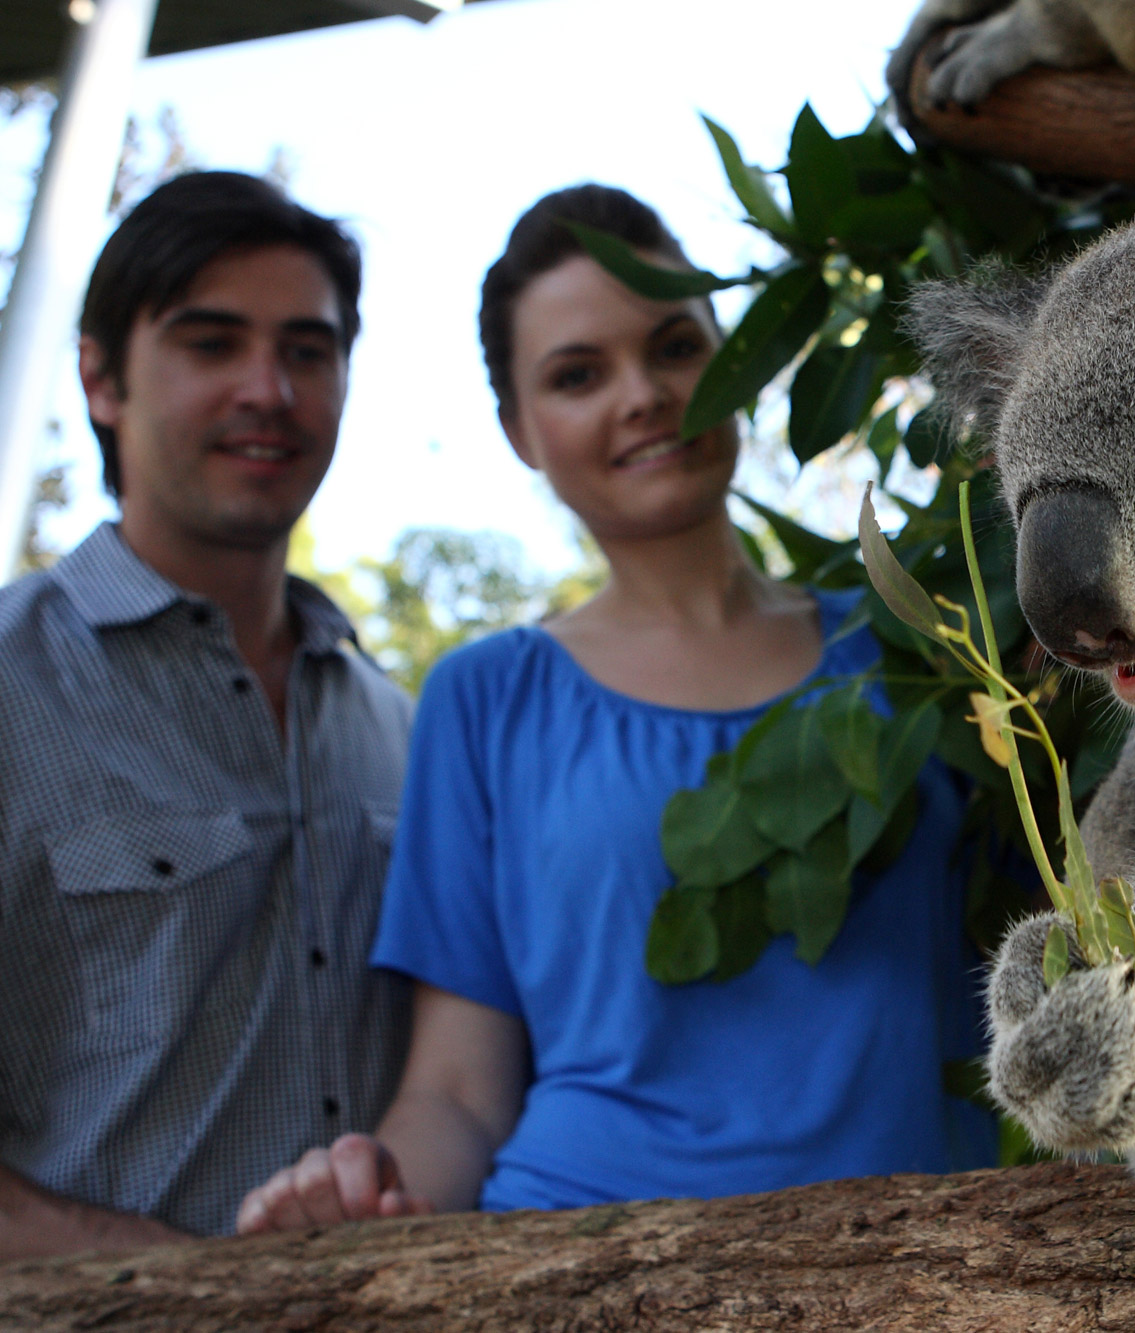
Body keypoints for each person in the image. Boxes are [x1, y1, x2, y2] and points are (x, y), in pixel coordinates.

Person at [236, 185, 992, 1232]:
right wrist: (365, 1196)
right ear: (520, 429)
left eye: (675, 345)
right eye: (578, 374)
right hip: (581, 1260)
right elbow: (458, 1090)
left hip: (940, 1265)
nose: (640, 394)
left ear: (735, 355)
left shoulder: (925, 639)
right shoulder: (485, 695)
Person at [0, 172, 412, 1257]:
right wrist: (188, 1291)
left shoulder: (405, 732)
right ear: (100, 376)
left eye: (309, 351)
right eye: (211, 342)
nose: (268, 389)